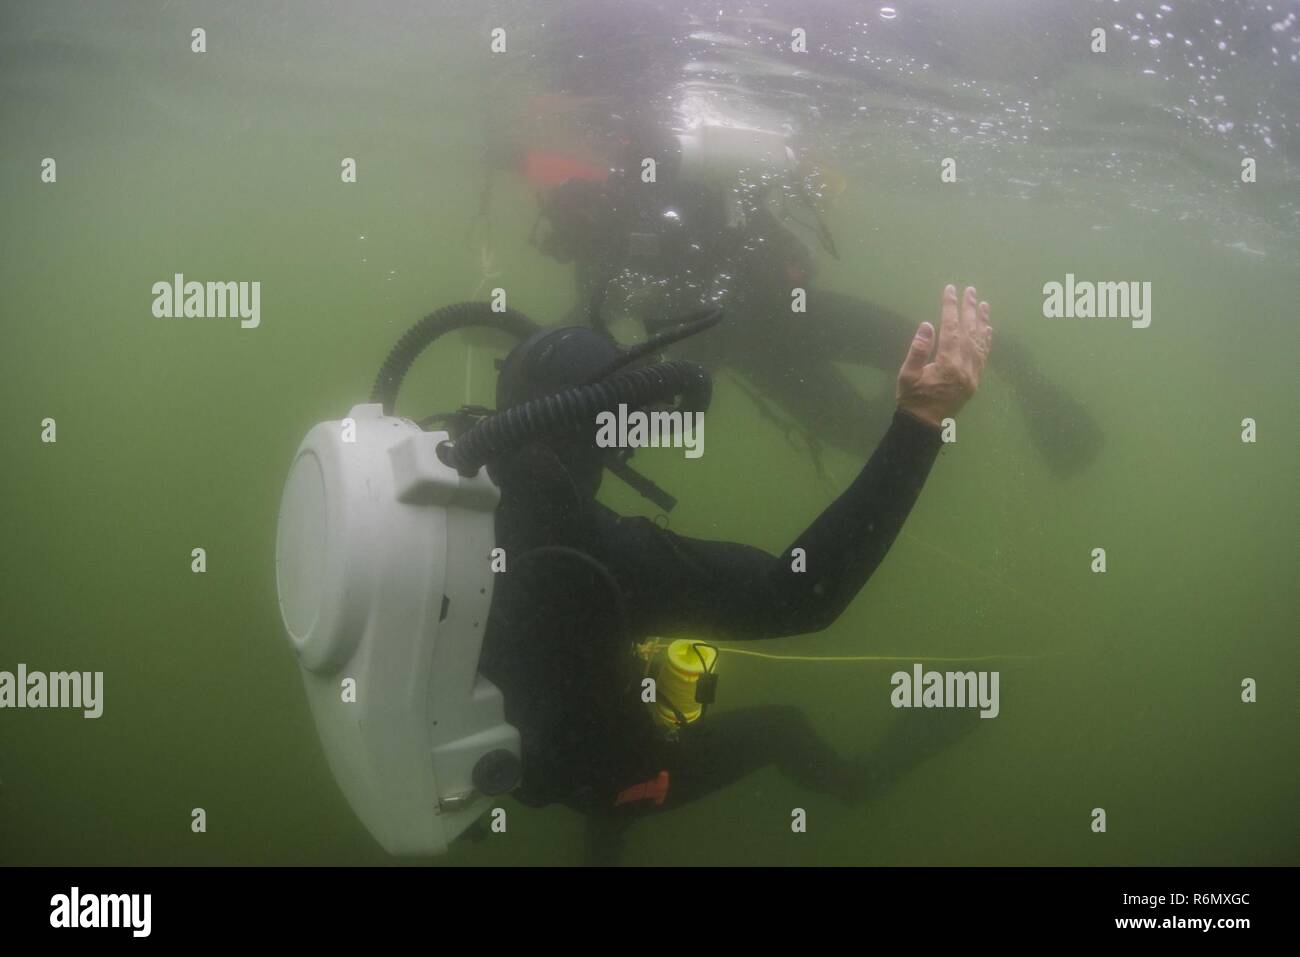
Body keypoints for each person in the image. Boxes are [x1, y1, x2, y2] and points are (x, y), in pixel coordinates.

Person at [475, 283, 993, 862]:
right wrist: (922, 419)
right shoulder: (588, 551)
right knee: (784, 730)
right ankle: (862, 782)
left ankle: (608, 829)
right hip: (586, 773)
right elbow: (797, 598)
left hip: (520, 738)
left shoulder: (453, 473)